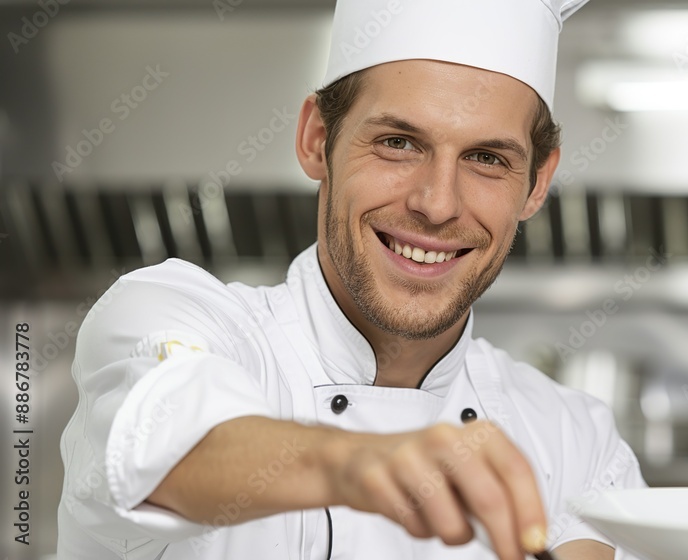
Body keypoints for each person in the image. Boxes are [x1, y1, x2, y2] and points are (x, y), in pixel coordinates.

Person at [57, 0, 646, 558]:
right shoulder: (173, 318)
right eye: (397, 142)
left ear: (537, 183)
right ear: (317, 139)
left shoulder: (575, 440)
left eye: (487, 158)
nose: (438, 204)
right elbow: (166, 444)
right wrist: (359, 462)